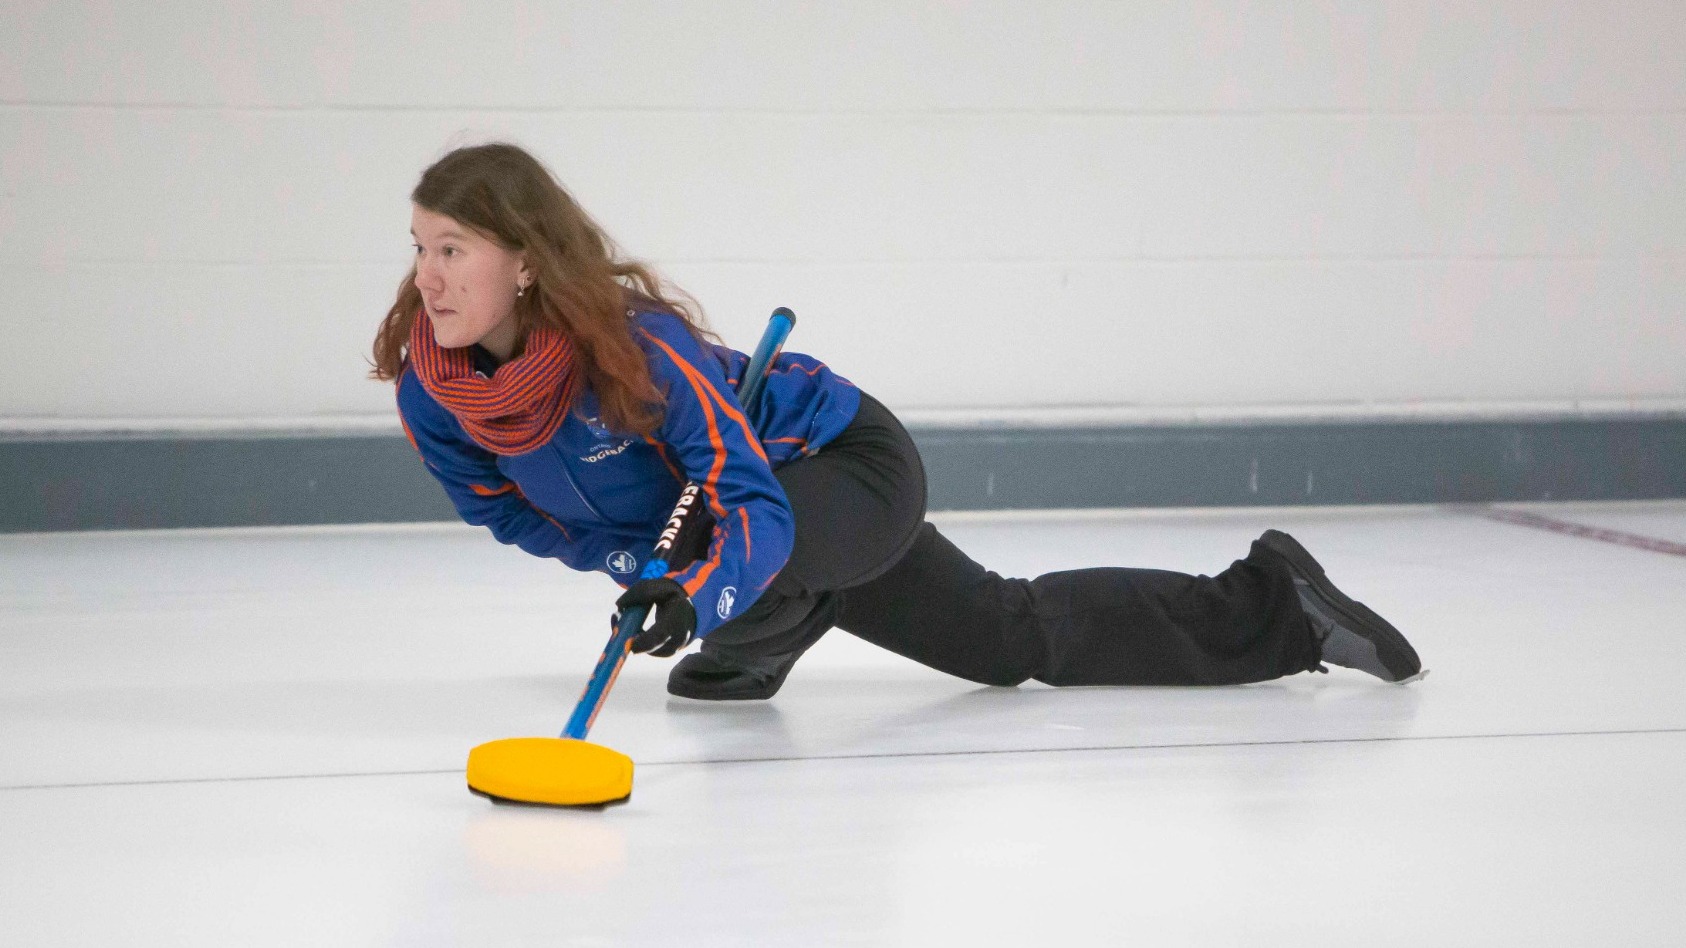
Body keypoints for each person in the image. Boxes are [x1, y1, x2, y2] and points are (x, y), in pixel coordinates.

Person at [372, 142, 1425, 703]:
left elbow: (743, 500)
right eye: (420, 246)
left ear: (525, 258)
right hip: (755, 532)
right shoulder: (435, 388)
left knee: (716, 549)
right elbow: (504, 512)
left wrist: (693, 599)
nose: (429, 275)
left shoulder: (638, 351)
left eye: (453, 248)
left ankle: (769, 619)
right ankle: (1273, 604)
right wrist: (622, 560)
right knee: (1009, 639)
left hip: (845, 466)